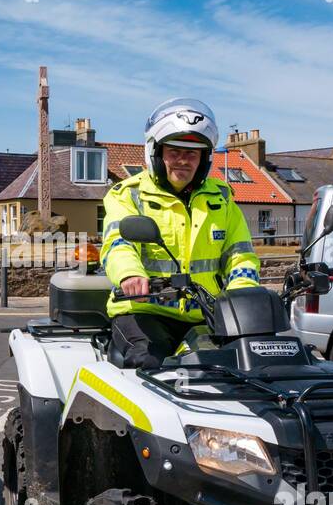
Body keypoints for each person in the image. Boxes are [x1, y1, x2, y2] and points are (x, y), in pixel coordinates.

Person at [101, 98, 262, 369]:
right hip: (145, 311)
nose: (183, 161)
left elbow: (240, 255)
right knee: (150, 365)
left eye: (192, 153)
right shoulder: (128, 195)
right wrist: (130, 275)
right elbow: (118, 243)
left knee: (245, 365)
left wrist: (242, 294)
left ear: (203, 159)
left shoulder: (221, 198)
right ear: (156, 153)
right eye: (174, 152)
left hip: (206, 314)